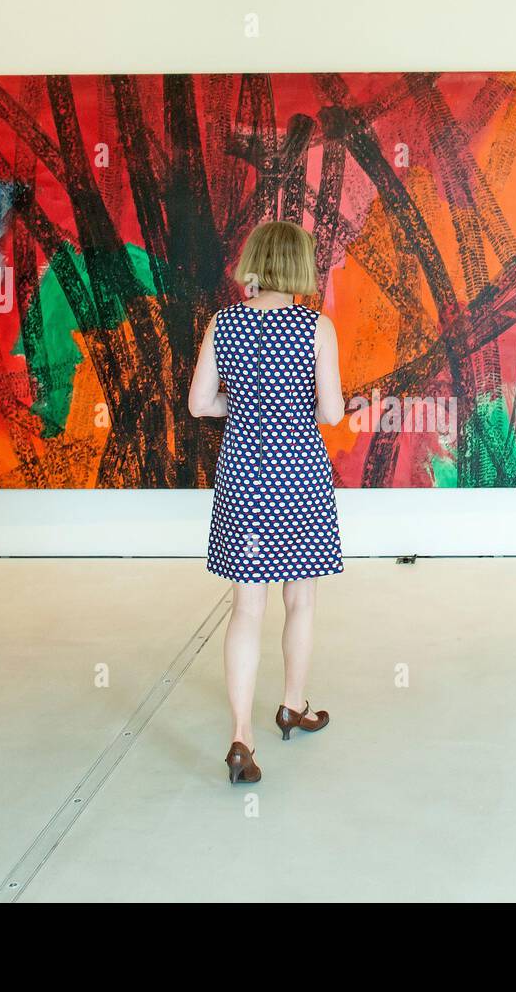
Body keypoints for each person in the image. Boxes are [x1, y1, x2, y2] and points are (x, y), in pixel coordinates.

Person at [187, 220, 345, 784]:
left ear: (254, 261)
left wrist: (250, 406)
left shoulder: (222, 323)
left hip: (243, 483)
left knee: (245, 609)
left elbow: (200, 405)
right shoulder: (316, 328)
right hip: (299, 480)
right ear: (299, 266)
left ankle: (240, 737)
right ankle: (292, 704)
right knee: (299, 601)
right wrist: (287, 406)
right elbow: (330, 414)